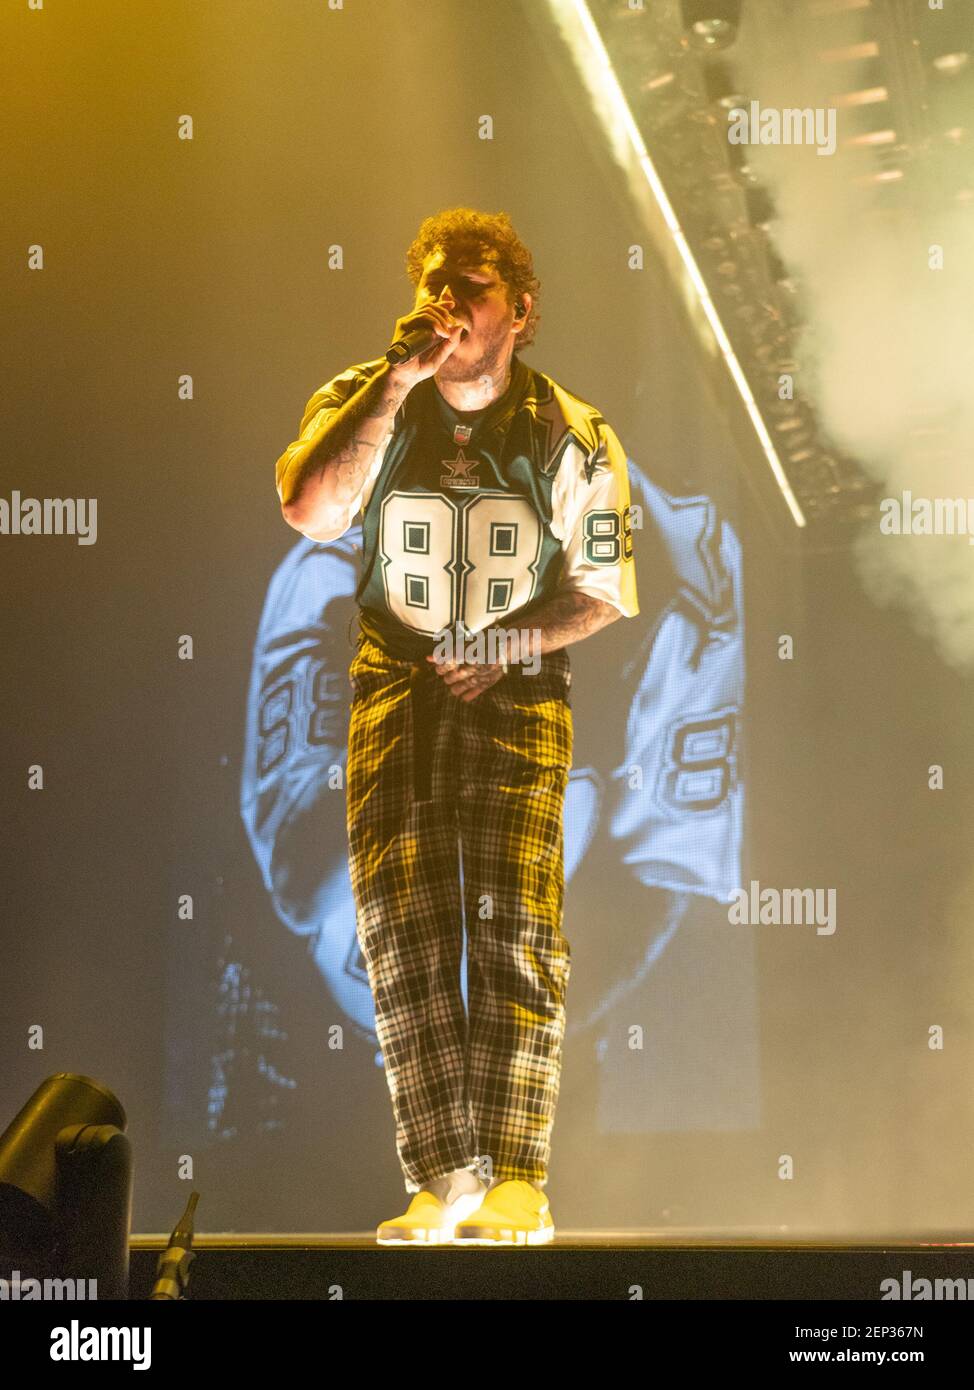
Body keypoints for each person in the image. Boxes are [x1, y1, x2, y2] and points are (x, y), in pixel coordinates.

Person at [274, 208, 639, 1245]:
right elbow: (308, 507)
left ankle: (517, 1172)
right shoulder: (366, 397)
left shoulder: (571, 428)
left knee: (515, 918)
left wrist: (509, 646)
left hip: (516, 688)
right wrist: (396, 381)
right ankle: (442, 1175)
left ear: (519, 310)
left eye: (469, 282)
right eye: (432, 279)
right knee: (400, 924)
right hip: (396, 677)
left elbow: (605, 589)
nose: (446, 299)